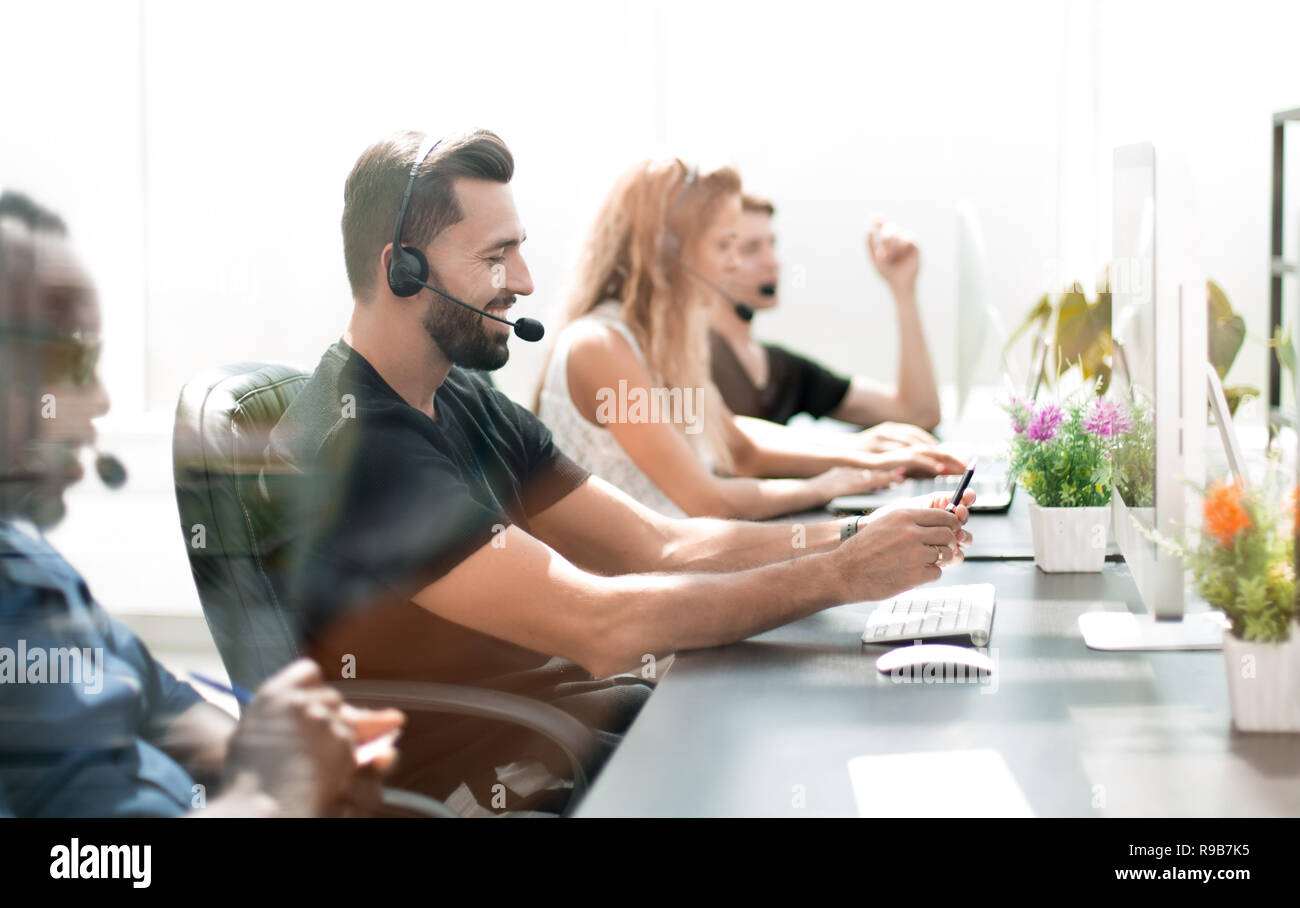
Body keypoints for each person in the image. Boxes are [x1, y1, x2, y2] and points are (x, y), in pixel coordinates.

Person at [265, 131, 975, 813]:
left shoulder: (460, 395)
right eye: (496, 256)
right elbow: (598, 624)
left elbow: (660, 543)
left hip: (563, 729)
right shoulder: (363, 447)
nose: (524, 280)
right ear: (403, 269)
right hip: (483, 788)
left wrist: (853, 536)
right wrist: (841, 577)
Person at [0, 191, 403, 817]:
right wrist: (273, 796)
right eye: (70, 361)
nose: (100, 399)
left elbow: (155, 698)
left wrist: (278, 746)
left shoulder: (28, 565)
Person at [536, 159, 961, 520]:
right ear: (667, 250)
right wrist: (828, 485)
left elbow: (737, 447)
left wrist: (870, 457)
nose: (734, 265)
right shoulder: (601, 348)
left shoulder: (663, 345)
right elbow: (708, 501)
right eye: (725, 245)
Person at [710, 194, 948, 457]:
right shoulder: (691, 365)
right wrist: (852, 449)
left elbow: (918, 414)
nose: (772, 261)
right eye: (750, 249)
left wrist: (903, 290)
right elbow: (725, 445)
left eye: (772, 245)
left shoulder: (783, 369)